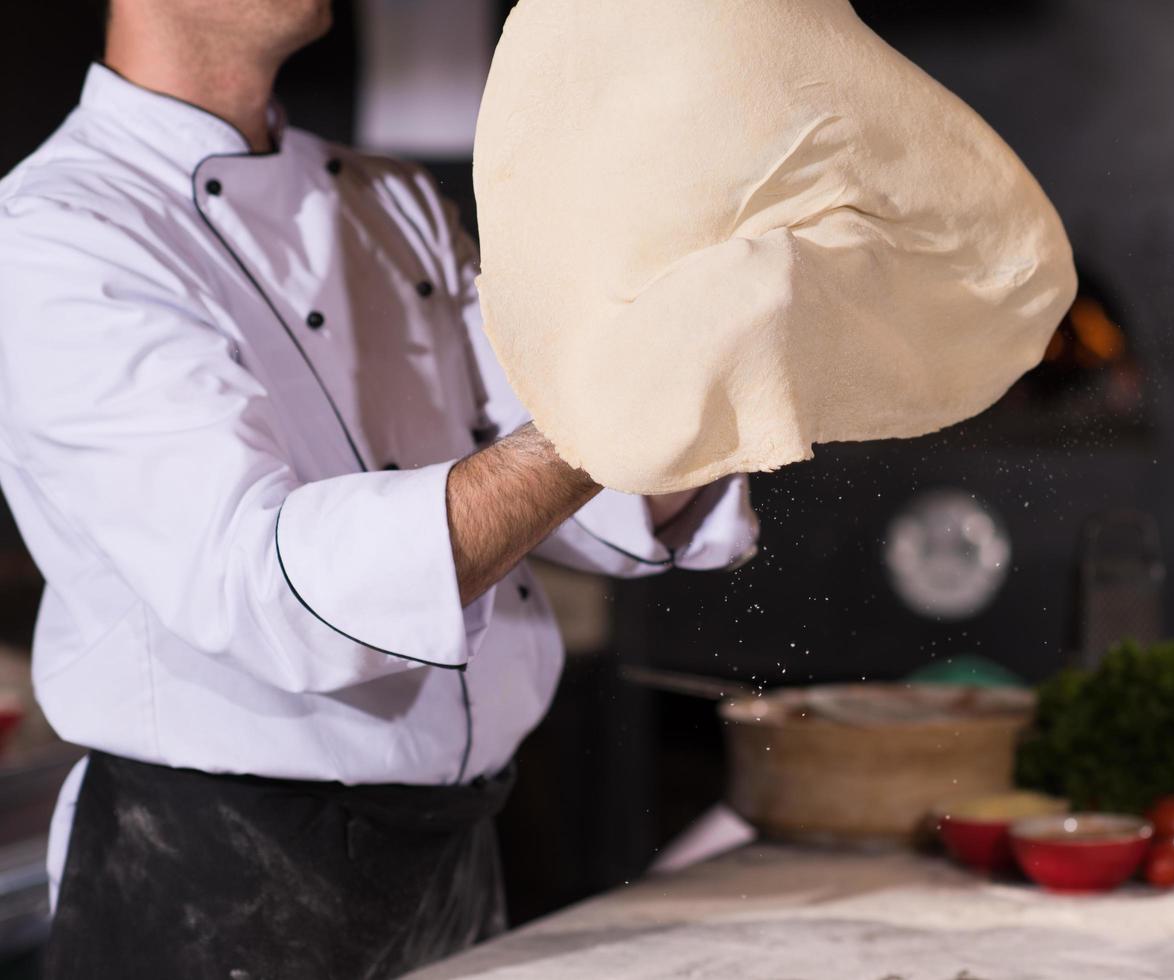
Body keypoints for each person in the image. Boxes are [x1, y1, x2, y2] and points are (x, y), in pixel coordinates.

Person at [0, 0, 759, 976]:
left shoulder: (389, 198)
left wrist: (721, 340)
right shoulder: (61, 231)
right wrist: (608, 420)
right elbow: (270, 587)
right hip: (215, 884)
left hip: (456, 854)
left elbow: (584, 499)